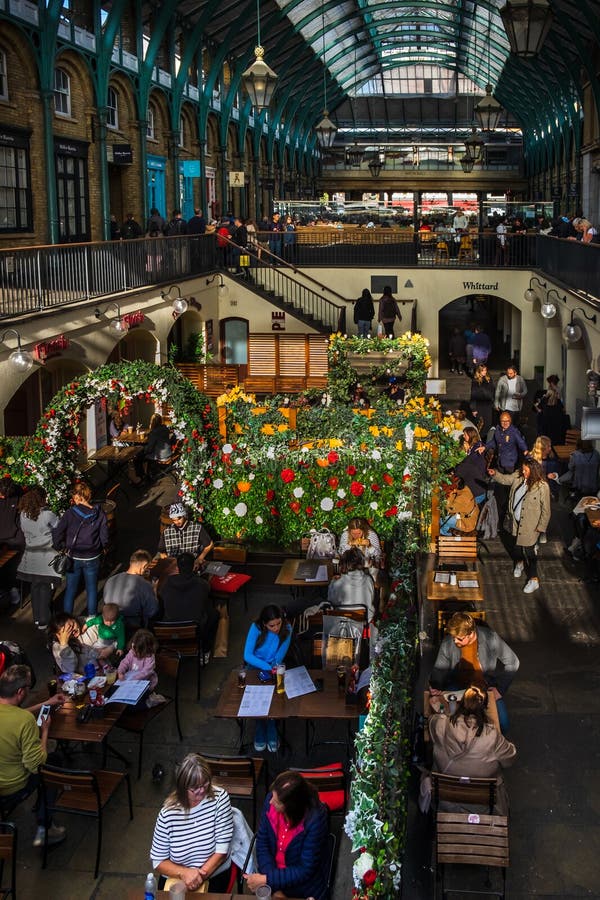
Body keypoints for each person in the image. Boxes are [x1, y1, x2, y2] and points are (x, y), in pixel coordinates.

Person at [0, 664, 67, 848]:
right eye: (29, 687)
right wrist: (45, 732)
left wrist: (47, 703)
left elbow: (14, 715)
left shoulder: (15, 715)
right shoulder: (25, 722)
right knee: (53, 763)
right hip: (12, 786)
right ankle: (45, 827)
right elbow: (36, 764)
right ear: (21, 691)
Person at [428, 684, 516, 815]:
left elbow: (431, 722)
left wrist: (442, 713)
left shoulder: (442, 724)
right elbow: (510, 760)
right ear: (485, 708)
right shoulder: (492, 736)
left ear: (461, 704)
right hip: (483, 805)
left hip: (448, 801)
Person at [151, 753, 233, 892]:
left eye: (205, 783)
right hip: (176, 878)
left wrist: (197, 878)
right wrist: (184, 873)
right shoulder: (167, 815)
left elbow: (221, 852)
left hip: (213, 875)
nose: (201, 791)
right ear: (183, 787)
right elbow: (158, 861)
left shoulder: (220, 799)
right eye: (195, 788)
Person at [429, 612, 520, 733]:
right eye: (453, 638)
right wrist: (435, 685)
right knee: (448, 722)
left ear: (471, 633)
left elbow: (513, 662)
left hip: (483, 687)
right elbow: (439, 669)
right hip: (458, 685)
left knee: (503, 724)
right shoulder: (448, 643)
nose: (455, 641)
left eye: (459, 639)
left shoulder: (490, 638)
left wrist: (500, 689)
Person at [245, 770, 329, 900]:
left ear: (292, 807)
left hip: (302, 886)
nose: (271, 802)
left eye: (277, 802)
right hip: (272, 876)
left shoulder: (315, 819)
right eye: (272, 796)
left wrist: (267, 880)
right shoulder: (271, 801)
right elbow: (262, 841)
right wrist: (273, 885)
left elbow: (305, 869)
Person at [489, 457, 551, 594]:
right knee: (516, 547)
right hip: (515, 522)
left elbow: (546, 510)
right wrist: (495, 474)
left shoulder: (542, 487)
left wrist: (540, 528)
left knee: (530, 552)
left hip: (530, 525)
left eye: (526, 470)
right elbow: (505, 479)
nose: (523, 472)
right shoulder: (518, 477)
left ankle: (534, 579)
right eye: (522, 469)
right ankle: (519, 563)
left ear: (534, 471)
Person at [52, 482, 109, 616]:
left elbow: (57, 532)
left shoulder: (70, 513)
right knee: (92, 589)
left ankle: (67, 620)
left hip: (73, 556)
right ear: (88, 496)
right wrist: (102, 547)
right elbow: (104, 536)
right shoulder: (99, 513)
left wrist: (60, 547)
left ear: (77, 497)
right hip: (93, 556)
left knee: (71, 589)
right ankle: (92, 619)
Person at [244, 605, 292, 752]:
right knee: (257, 699)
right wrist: (266, 667)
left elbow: (280, 653)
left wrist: (273, 667)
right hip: (255, 666)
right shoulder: (255, 628)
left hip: (274, 666)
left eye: (279, 623)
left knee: (276, 696)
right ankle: (260, 725)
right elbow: (247, 655)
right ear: (264, 624)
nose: (276, 628)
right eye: (272, 625)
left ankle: (271, 724)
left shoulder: (287, 628)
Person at [161, 552, 219, 660]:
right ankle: (206, 650)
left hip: (170, 630)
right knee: (214, 614)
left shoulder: (167, 582)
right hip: (194, 631)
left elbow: (162, 596)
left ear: (178, 567)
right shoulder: (201, 584)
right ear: (193, 567)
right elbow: (207, 592)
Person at [17, 487, 59, 630]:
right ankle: (45, 619)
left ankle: (37, 618)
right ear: (41, 499)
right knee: (46, 588)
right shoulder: (48, 515)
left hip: (30, 555)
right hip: (46, 555)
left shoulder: (23, 514)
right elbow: (58, 529)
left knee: (35, 587)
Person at [102, 549, 158, 628]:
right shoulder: (144, 584)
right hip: (132, 626)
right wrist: (154, 590)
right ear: (144, 566)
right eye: (146, 568)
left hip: (111, 624)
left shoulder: (111, 580)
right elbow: (152, 611)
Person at [156, 504, 214, 570]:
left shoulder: (196, 527)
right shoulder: (166, 532)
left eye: (179, 518)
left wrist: (199, 559)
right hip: (175, 567)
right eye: (174, 520)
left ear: (184, 515)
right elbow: (161, 551)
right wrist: (166, 560)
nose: (177, 522)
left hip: (192, 565)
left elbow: (209, 544)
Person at [327, 546, 375, 623]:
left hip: (341, 624)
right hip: (364, 623)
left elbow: (331, 602)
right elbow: (371, 599)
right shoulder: (368, 580)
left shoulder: (336, 583)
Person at [0, 478, 24, 606]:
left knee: (11, 567)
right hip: (5, 538)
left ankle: (12, 589)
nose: (2, 496)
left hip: (14, 538)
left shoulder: (18, 496)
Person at [132, 413, 173, 482]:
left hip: (160, 456)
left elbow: (150, 449)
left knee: (137, 458)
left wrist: (142, 449)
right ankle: (148, 473)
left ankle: (142, 477)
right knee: (143, 453)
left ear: (152, 422)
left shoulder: (154, 432)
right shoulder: (165, 429)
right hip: (168, 453)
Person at [455, 427, 488, 505]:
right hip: (474, 475)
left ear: (470, 436)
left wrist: (466, 452)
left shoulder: (477, 448)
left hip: (477, 479)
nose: (463, 436)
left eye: (465, 435)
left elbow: (467, 463)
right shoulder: (474, 446)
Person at [534, 375, 566, 445]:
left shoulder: (550, 392)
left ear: (551, 383)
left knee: (545, 429)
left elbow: (541, 405)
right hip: (556, 415)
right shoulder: (558, 392)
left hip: (548, 415)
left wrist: (538, 405)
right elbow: (561, 405)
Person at [494, 363, 527, 427]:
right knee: (505, 425)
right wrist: (496, 403)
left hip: (516, 407)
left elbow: (525, 391)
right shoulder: (502, 379)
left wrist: (520, 395)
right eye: (508, 373)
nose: (509, 375)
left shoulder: (520, 379)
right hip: (505, 407)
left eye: (511, 373)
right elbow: (497, 391)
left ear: (515, 373)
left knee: (515, 425)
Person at [470, 364, 495, 435]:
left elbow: (493, 390)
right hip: (479, 406)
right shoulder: (475, 381)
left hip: (488, 405)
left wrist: (492, 399)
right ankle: (480, 441)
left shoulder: (489, 379)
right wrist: (473, 409)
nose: (484, 372)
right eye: (482, 370)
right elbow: (473, 395)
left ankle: (487, 442)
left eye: (485, 370)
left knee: (488, 423)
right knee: (481, 424)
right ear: (479, 371)